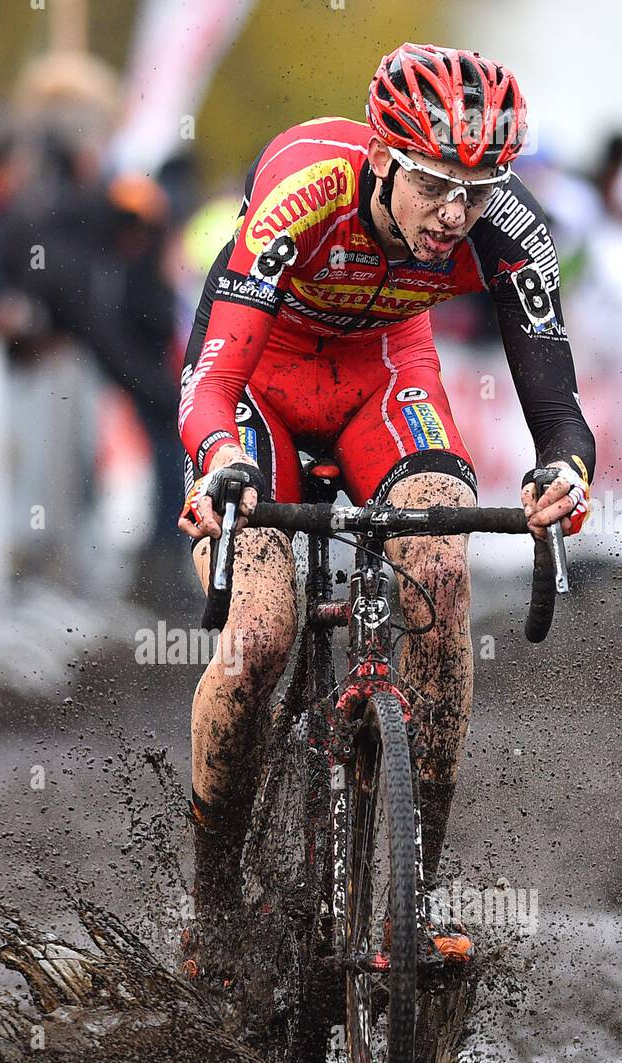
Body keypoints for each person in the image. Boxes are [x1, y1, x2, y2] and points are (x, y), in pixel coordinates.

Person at [176, 43, 595, 983]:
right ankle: (210, 904)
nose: (457, 214)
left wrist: (564, 469)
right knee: (260, 636)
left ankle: (413, 900)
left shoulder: (508, 227)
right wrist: (221, 463)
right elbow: (214, 376)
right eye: (437, 184)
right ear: (381, 160)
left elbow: (559, 410)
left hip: (381, 377)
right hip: (261, 385)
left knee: (441, 576)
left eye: (479, 189)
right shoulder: (304, 186)